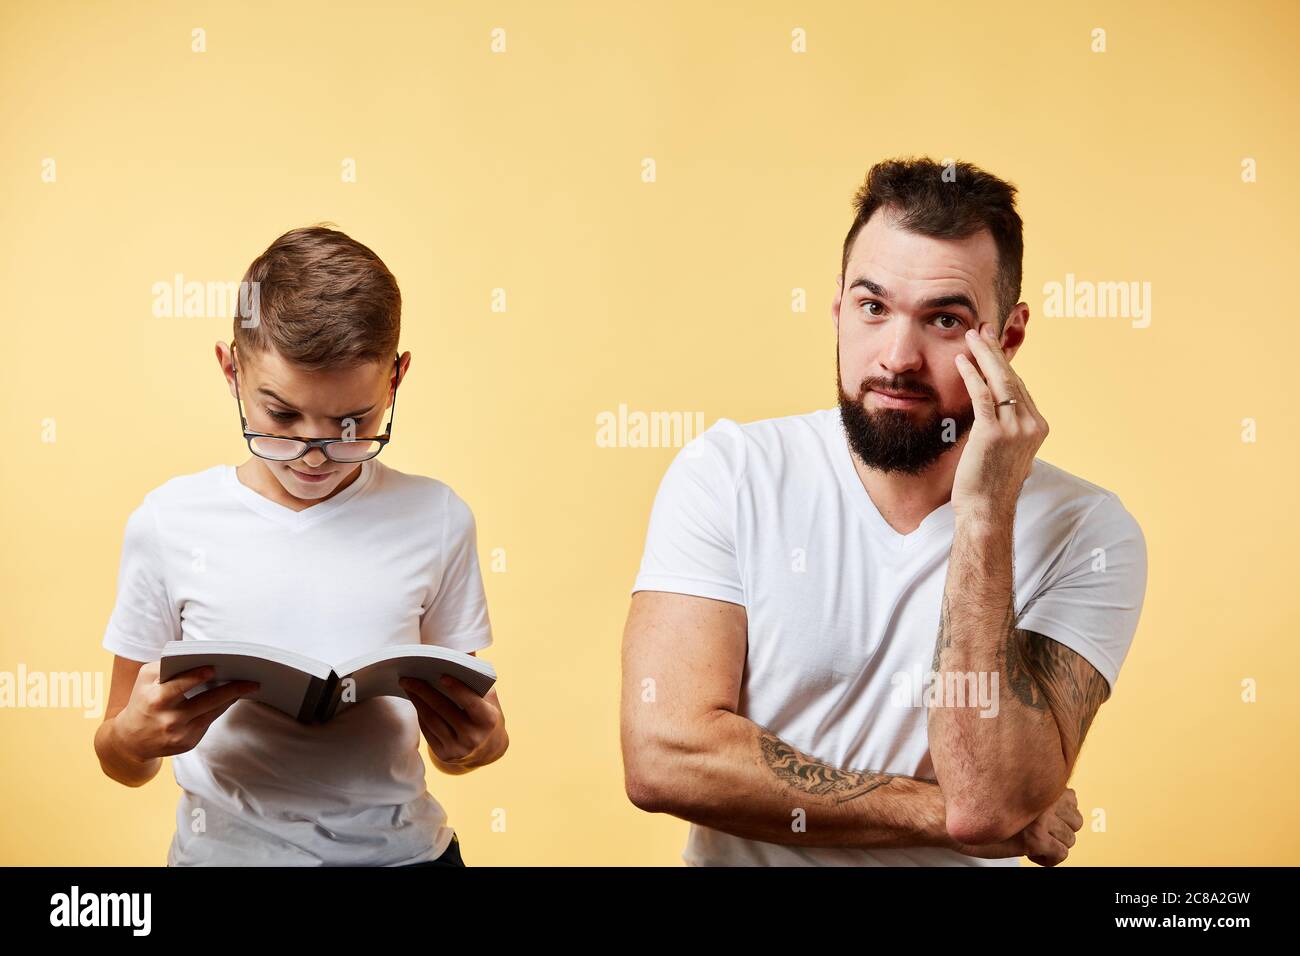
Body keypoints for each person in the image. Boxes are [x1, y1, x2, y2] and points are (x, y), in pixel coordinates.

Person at [621, 157, 1147, 866]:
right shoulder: (730, 473)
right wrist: (941, 814)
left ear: (1008, 338)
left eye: (945, 319)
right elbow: (665, 756)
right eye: (874, 307)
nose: (897, 357)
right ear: (839, 308)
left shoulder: (1089, 532)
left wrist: (986, 515)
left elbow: (990, 797)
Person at [94, 225, 508, 866]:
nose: (314, 452)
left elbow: (465, 739)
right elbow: (119, 758)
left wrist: (478, 745)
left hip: (407, 858)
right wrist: (136, 738)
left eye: (352, 423)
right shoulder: (169, 521)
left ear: (396, 378)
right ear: (230, 369)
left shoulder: (439, 518)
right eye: (282, 417)